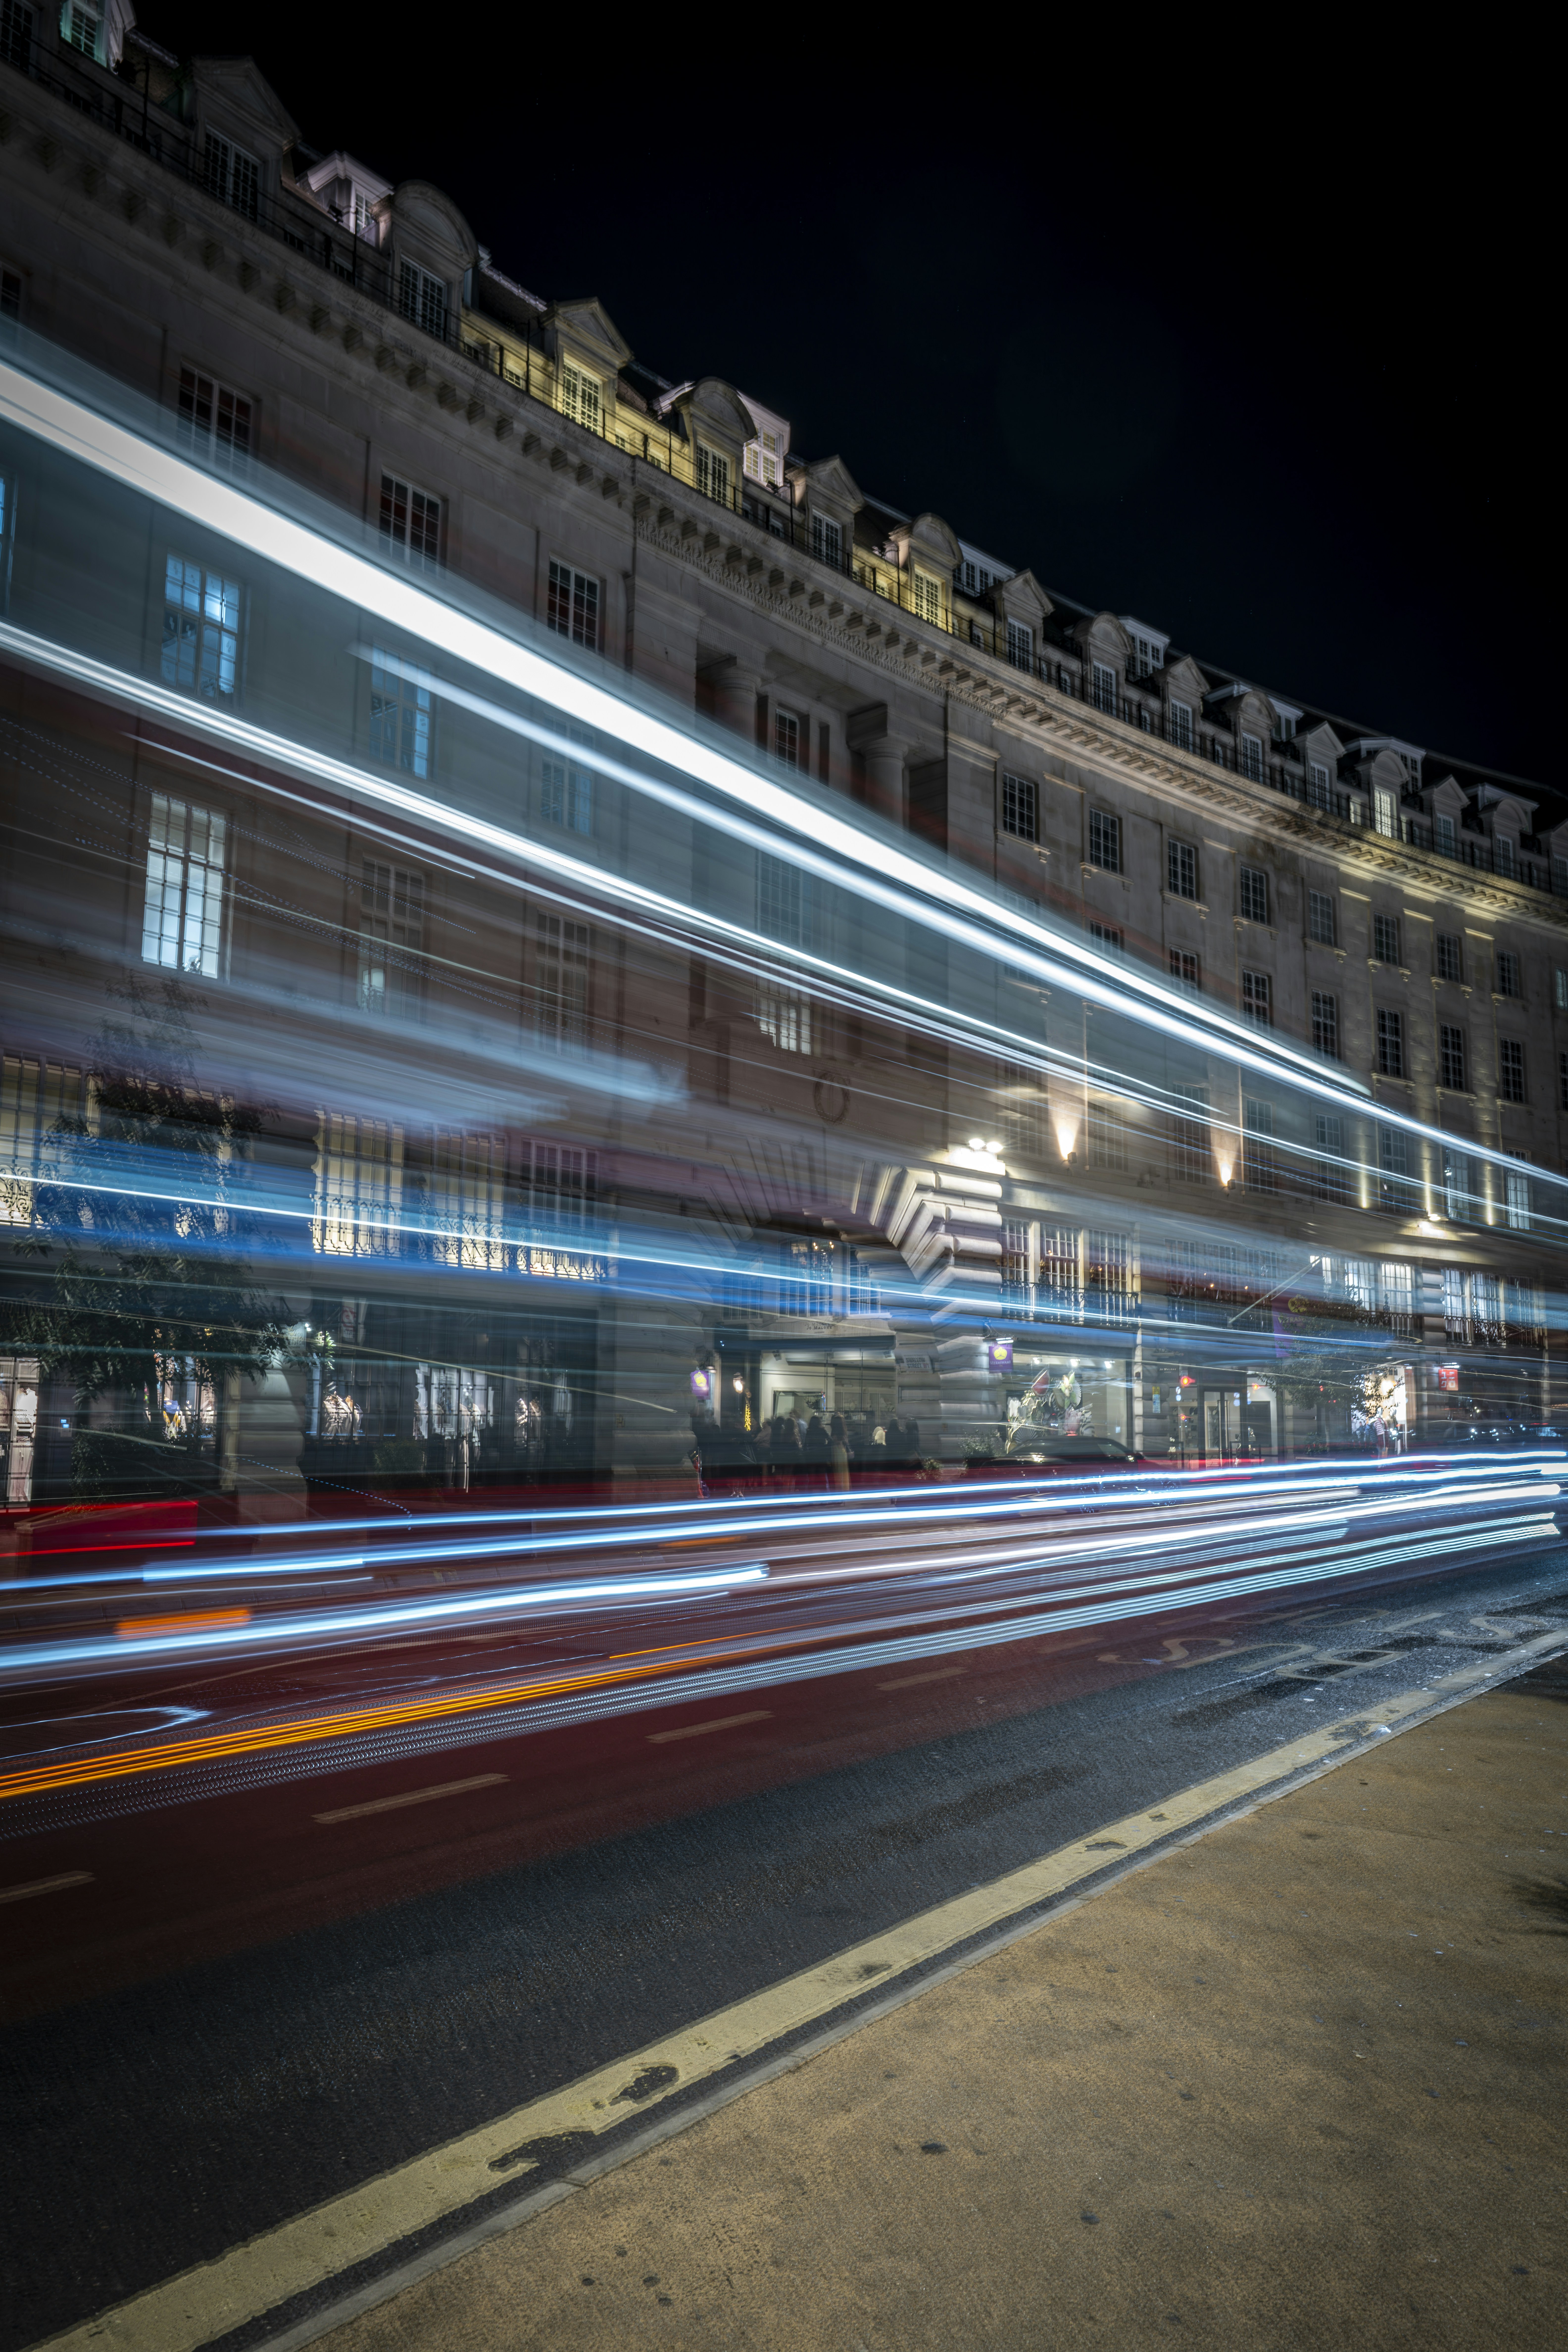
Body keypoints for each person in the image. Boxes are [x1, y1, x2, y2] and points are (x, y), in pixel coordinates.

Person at [829, 1411, 851, 1491]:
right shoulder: (843, 1432)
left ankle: (838, 1491)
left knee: (837, 1474)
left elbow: (831, 1443)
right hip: (843, 1453)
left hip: (836, 1452)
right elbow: (846, 1444)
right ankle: (844, 1490)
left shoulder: (834, 1433)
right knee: (844, 1473)